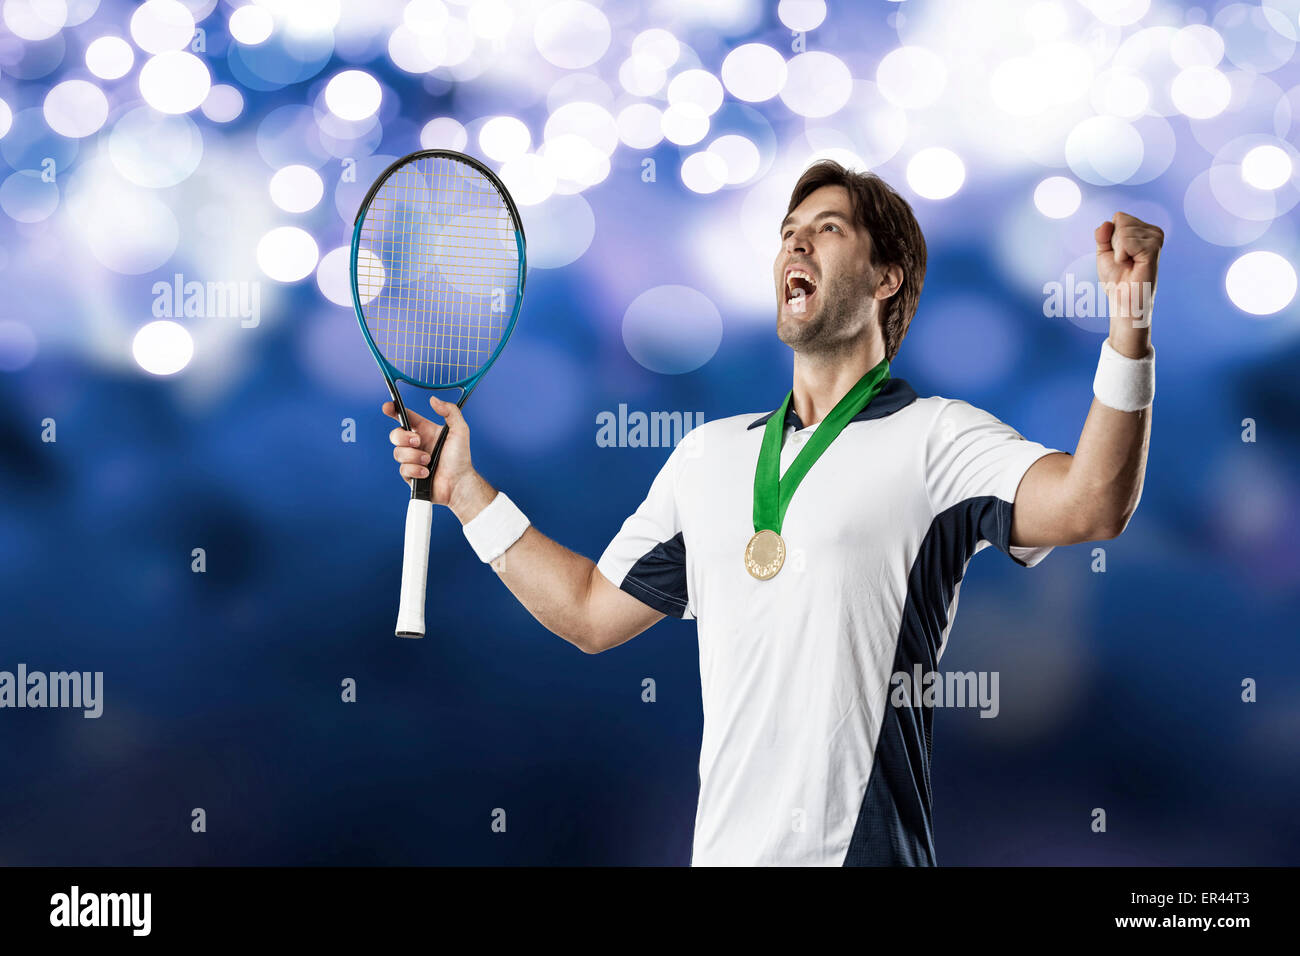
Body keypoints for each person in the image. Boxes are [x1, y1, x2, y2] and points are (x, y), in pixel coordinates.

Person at [383, 160, 1160, 866]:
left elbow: (1093, 504)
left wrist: (1128, 327)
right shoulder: (707, 456)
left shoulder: (938, 439)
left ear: (886, 278)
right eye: (788, 234)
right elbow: (589, 614)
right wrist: (464, 493)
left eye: (828, 230)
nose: (797, 246)